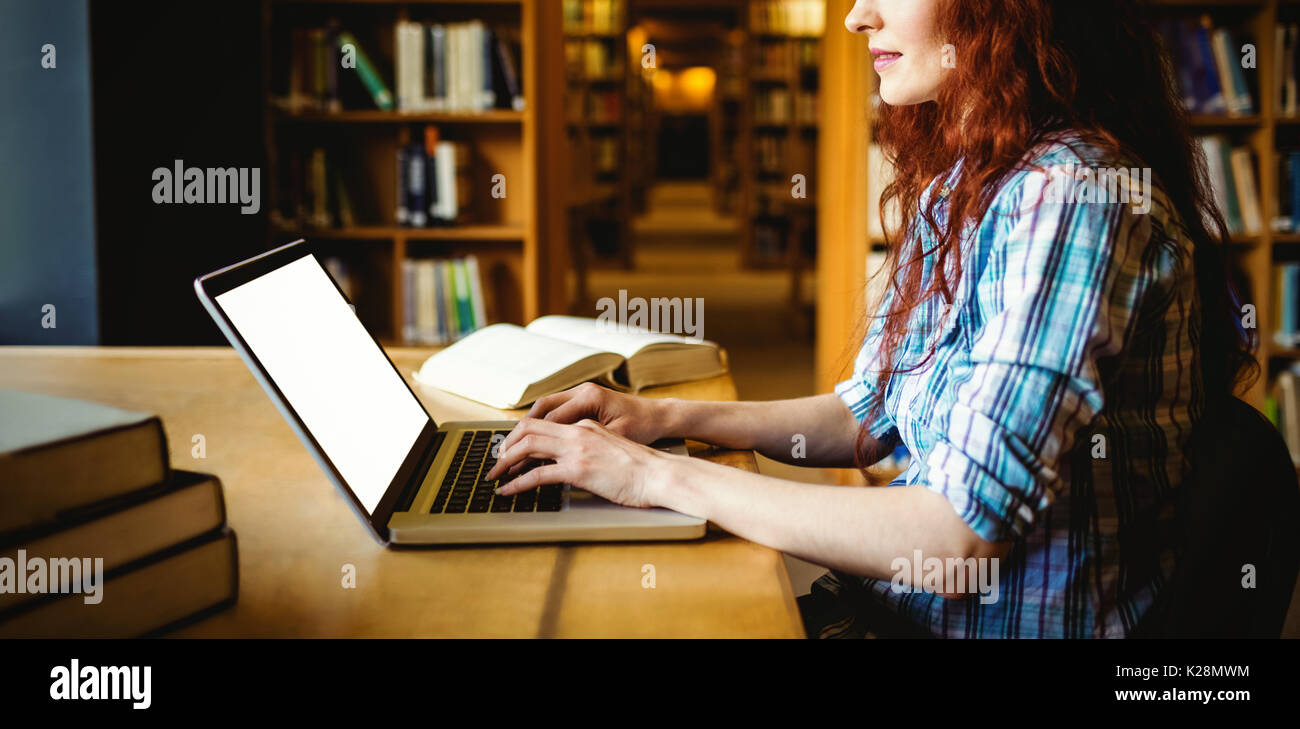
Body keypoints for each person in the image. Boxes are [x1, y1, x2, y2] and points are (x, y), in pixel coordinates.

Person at [486, 0, 1258, 638]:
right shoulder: (971, 178)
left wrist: (654, 475)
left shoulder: (1071, 199)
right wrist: (661, 416)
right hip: (895, 609)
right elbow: (870, 410)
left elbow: (955, 534)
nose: (857, 17)